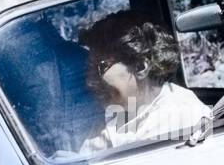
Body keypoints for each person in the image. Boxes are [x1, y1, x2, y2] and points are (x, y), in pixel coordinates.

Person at [79, 10, 210, 152]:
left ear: (140, 66)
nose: (91, 81)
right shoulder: (119, 110)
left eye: (102, 66)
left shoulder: (187, 115)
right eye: (90, 69)